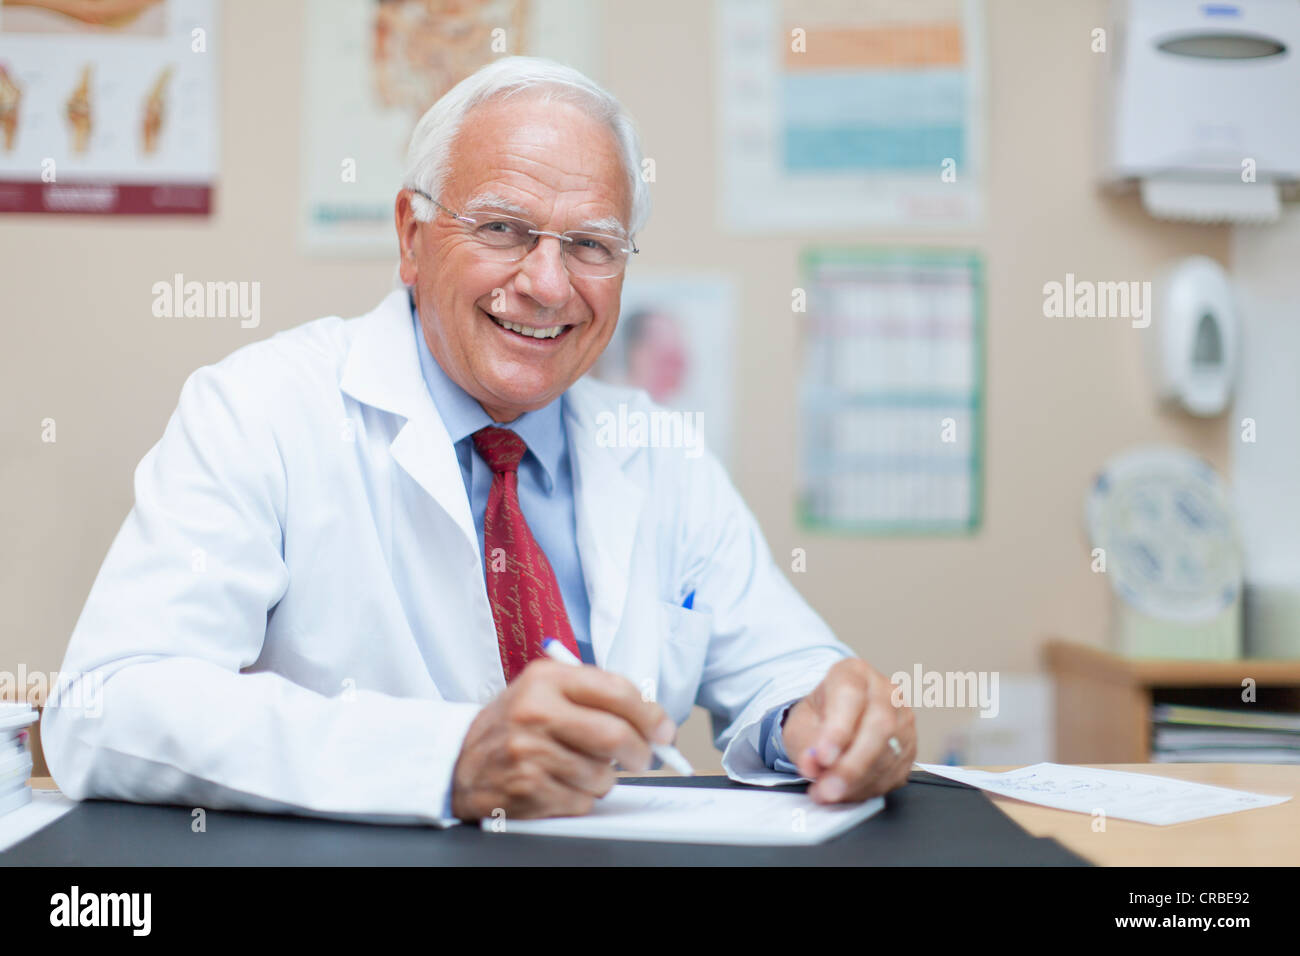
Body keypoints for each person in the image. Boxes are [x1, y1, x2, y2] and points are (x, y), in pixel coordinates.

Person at [42, 56, 916, 825]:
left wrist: (828, 718)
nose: (546, 284)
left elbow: (784, 671)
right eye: (502, 228)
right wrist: (447, 757)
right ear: (411, 237)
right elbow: (105, 705)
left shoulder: (659, 451)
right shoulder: (261, 410)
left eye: (591, 245)